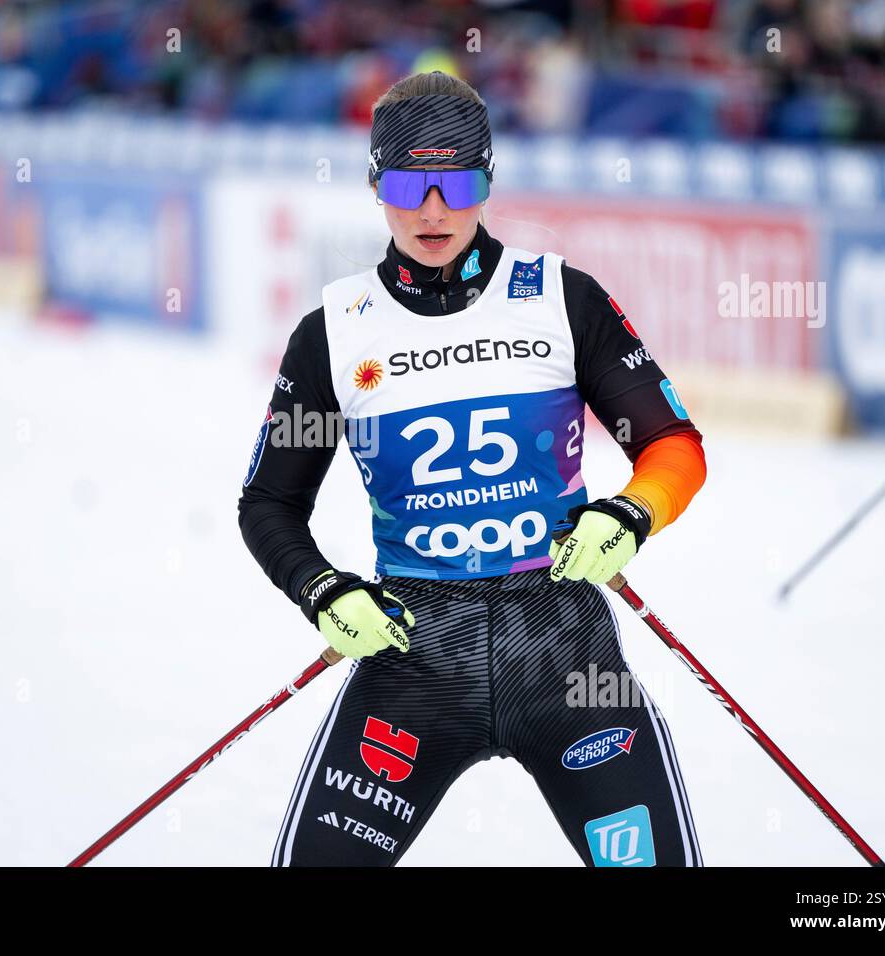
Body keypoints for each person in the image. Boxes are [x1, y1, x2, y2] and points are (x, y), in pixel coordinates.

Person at [238, 70, 707, 866]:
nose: (434, 210)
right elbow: (269, 506)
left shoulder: (562, 297)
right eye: (410, 184)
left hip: (563, 655)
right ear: (375, 184)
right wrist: (324, 592)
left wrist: (630, 513)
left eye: (457, 182)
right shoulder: (334, 333)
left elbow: (674, 448)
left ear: (487, 180)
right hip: (415, 656)